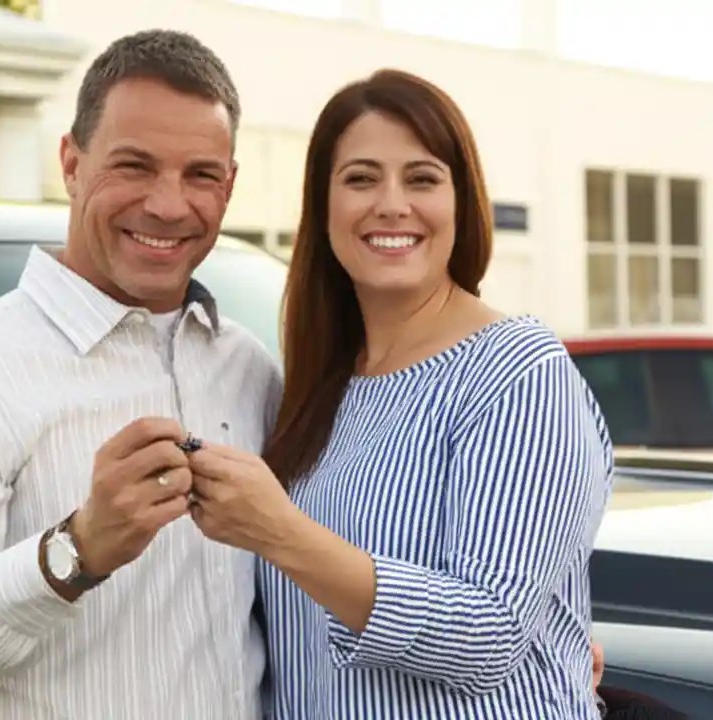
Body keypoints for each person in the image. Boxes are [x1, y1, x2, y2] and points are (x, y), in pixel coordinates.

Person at [0, 29, 281, 719]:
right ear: (71, 164)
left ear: (229, 185)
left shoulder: (251, 368)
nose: (169, 204)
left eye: (200, 174)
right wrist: (74, 551)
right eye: (134, 166)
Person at [185, 68, 616, 718]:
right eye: (361, 178)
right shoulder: (316, 385)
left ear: (461, 202)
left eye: (421, 178)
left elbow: (488, 633)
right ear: (323, 205)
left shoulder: (516, 369)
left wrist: (282, 535)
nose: (391, 203)